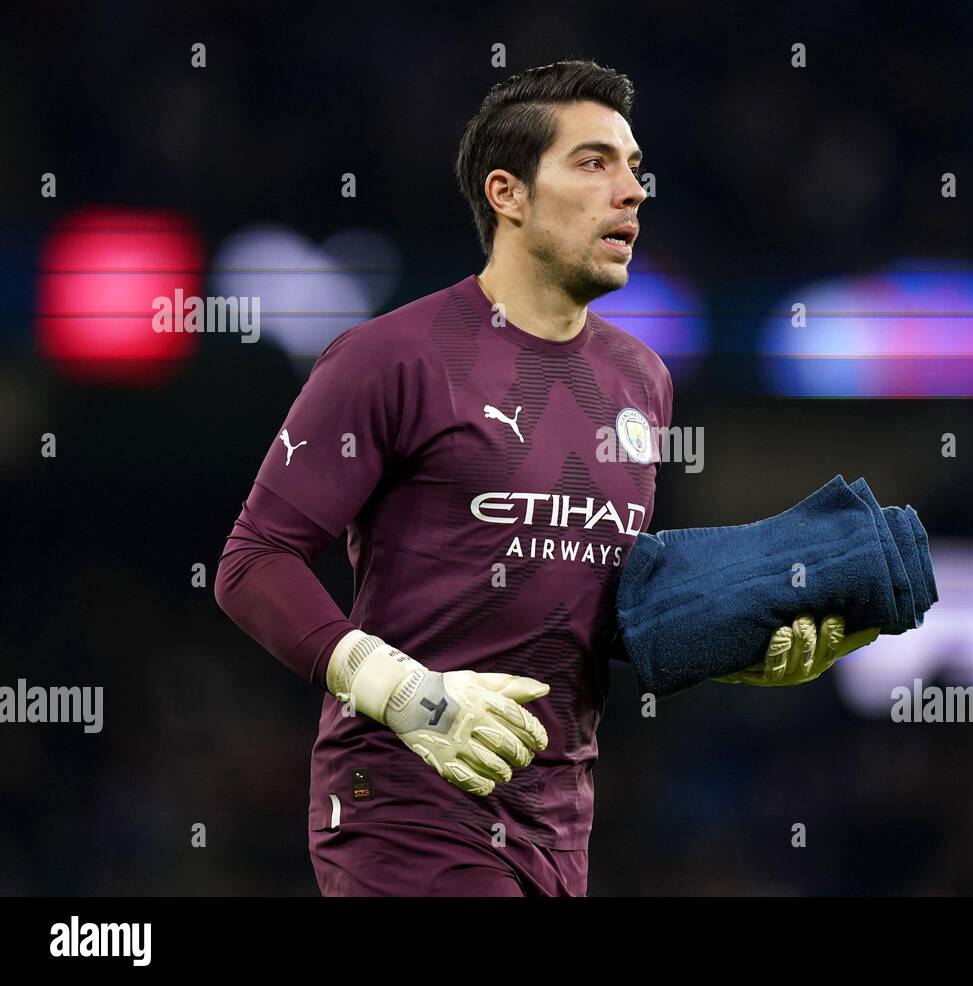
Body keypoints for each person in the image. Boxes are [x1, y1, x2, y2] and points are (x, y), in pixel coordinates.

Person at [215, 59, 868, 897]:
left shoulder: (643, 381)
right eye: (594, 163)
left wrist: (739, 651)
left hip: (559, 828)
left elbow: (591, 602)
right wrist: (406, 692)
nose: (631, 190)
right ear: (508, 194)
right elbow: (253, 559)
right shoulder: (393, 356)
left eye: (634, 167)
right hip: (407, 806)